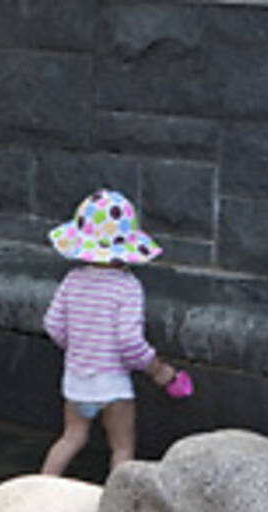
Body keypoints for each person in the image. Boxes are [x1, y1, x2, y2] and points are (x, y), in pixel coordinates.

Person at [41, 189, 180, 477]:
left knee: (71, 439)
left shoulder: (72, 280)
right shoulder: (127, 287)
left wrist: (79, 345)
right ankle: (116, 508)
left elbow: (53, 325)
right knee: (122, 449)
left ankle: (39, 491)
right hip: (112, 385)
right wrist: (158, 371)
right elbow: (130, 344)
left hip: (76, 380)